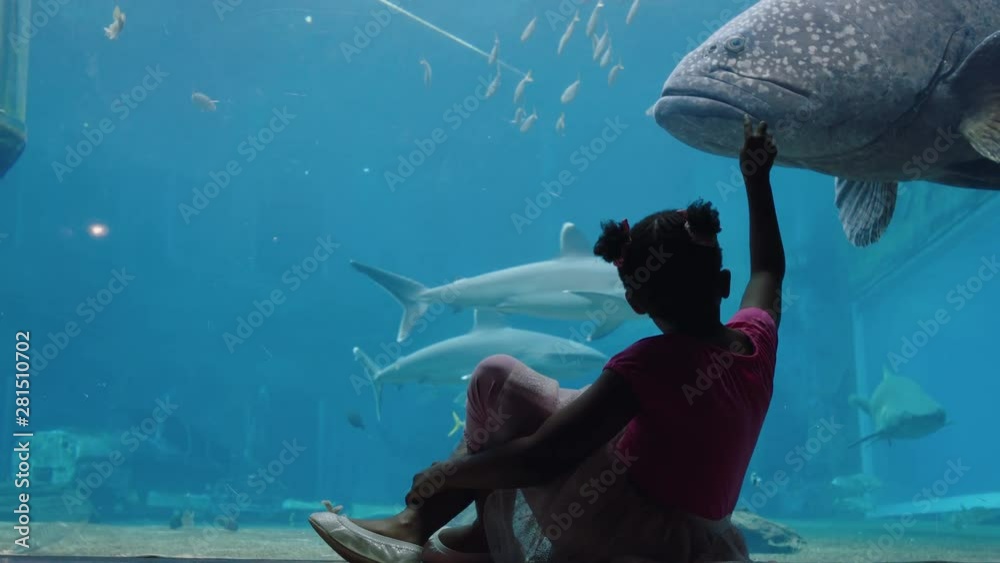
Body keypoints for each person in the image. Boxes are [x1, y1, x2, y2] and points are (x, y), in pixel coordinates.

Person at [309, 116, 785, 562]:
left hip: (625, 528)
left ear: (635, 303)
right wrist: (758, 180)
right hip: (704, 535)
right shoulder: (756, 340)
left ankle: (421, 523)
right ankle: (474, 536)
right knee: (531, 394)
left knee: (498, 383)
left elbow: (539, 459)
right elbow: (768, 269)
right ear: (724, 283)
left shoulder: (648, 364)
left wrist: (447, 473)